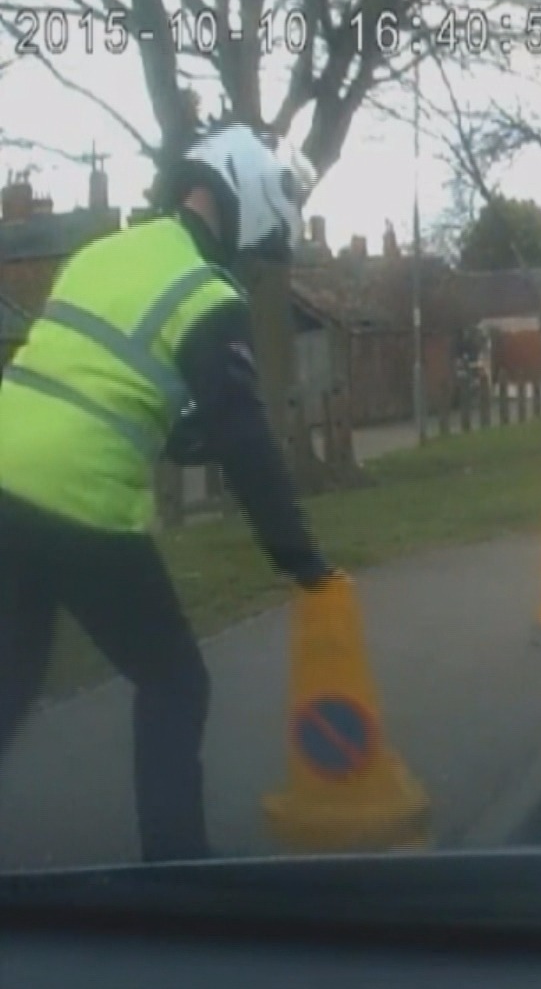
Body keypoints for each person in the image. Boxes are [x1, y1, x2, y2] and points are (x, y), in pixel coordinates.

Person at [0, 123, 331, 863]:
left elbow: (104, 370)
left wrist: (184, 432)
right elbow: (245, 441)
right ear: (246, 197)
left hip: (3, 477)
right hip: (81, 498)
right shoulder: (207, 293)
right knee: (175, 679)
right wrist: (298, 554)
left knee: (12, 674)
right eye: (257, 244)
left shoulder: (102, 251)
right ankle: (175, 866)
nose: (248, 260)